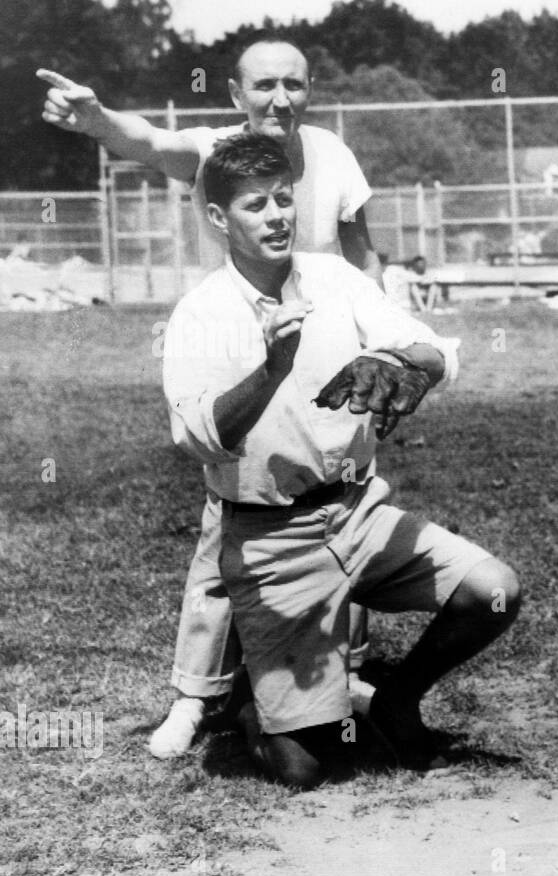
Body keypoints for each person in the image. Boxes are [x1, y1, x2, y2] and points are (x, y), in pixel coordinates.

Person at [38, 37, 385, 759]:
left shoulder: (332, 156)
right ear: (235, 93)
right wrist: (98, 118)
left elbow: (363, 250)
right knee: (230, 526)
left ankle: (337, 673)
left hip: (324, 362)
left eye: (294, 84)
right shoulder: (212, 151)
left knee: (338, 509)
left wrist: (379, 346)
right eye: (264, 86)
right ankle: (196, 696)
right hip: (237, 362)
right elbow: (149, 142)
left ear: (311, 89)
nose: (279, 99)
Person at [162, 134, 520, 787]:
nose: (275, 216)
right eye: (253, 206)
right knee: (300, 769)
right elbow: (198, 439)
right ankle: (251, 703)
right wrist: (272, 369)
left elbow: (436, 348)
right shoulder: (201, 314)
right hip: (271, 537)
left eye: (282, 199)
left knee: (494, 591)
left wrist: (402, 362)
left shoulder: (332, 278)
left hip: (360, 512)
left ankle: (395, 697)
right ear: (219, 220)